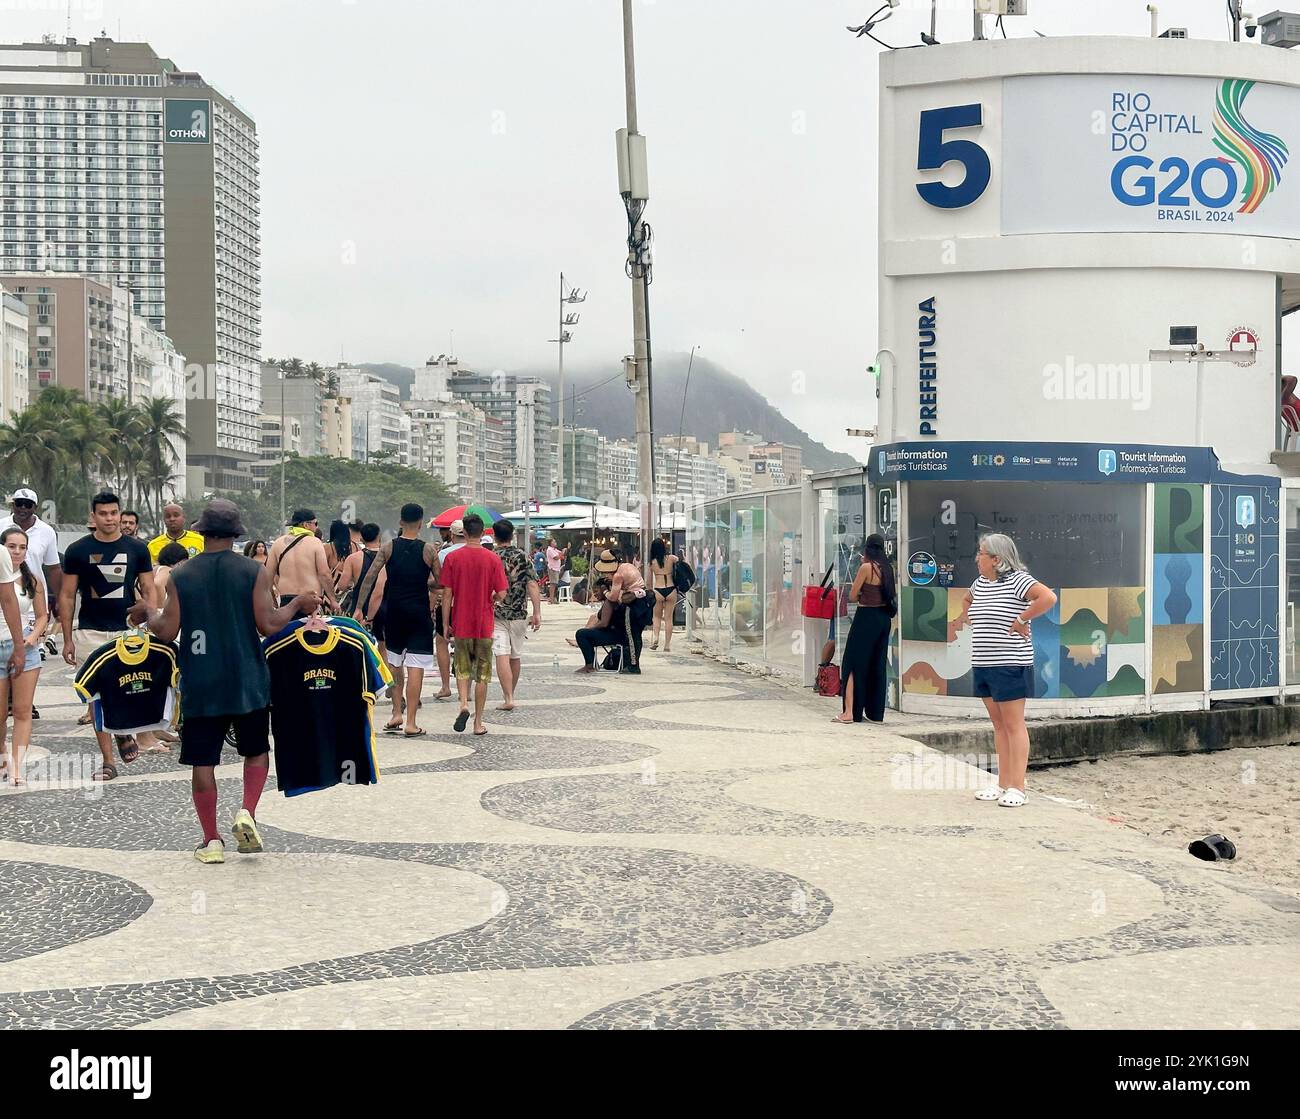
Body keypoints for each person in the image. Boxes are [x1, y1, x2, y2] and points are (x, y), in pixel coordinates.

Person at [129, 499, 322, 863]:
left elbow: (167, 631)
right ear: (236, 534)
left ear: (200, 532)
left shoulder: (182, 574)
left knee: (204, 761)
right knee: (256, 750)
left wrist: (148, 613)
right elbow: (268, 624)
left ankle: (212, 841)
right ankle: (246, 811)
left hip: (202, 681)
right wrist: (298, 604)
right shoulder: (252, 570)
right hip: (247, 677)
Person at [60, 492, 157, 781]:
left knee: (129, 689)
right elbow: (66, 595)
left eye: (114, 513)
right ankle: (108, 761)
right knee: (96, 696)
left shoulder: (137, 549)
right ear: (94, 516)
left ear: (120, 514)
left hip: (128, 630)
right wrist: (67, 636)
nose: (110, 519)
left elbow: (149, 589)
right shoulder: (78, 550)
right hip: (90, 630)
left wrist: (150, 622)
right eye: (103, 514)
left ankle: (124, 732)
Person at [965, 533, 1057, 809]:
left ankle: (1018, 785)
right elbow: (968, 601)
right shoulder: (980, 584)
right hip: (983, 662)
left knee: (1014, 725)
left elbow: (1048, 597)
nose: (977, 559)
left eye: (981, 554)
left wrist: (1021, 618)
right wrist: (969, 618)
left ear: (996, 559)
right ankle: (1002, 782)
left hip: (1010, 662)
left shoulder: (1018, 580)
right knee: (998, 725)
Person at [355, 503, 441, 737]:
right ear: (421, 523)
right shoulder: (429, 550)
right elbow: (441, 582)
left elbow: (369, 579)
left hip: (394, 613)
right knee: (416, 667)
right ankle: (411, 722)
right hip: (419, 614)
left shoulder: (388, 547)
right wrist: (425, 584)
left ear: (401, 522)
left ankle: (396, 713)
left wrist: (359, 608)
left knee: (394, 663)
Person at [440, 513, 507, 735]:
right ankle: (478, 723)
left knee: (462, 668)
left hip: (461, 621)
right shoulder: (493, 559)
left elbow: (447, 594)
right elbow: (503, 593)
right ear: (483, 532)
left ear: (465, 532)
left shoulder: (453, 558)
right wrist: (493, 599)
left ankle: (463, 705)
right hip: (484, 623)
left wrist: (445, 622)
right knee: (483, 674)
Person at [0, 527, 47, 785]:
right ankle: (2, 756)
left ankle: (16, 767)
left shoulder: (32, 580)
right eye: (11, 546)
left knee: (22, 711)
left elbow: (42, 616)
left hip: (25, 650)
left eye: (22, 547)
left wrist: (30, 640)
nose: (17, 552)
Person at [832, 533, 895, 725]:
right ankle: (876, 713)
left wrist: (861, 594)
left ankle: (850, 712)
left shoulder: (866, 568)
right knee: (877, 664)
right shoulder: (887, 569)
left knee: (852, 662)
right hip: (883, 619)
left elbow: (852, 595)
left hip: (866, 618)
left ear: (867, 549)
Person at [491, 519, 541, 711]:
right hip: (519, 613)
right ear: (512, 535)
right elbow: (532, 584)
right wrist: (537, 612)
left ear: (494, 536)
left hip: (497, 612)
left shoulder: (491, 556)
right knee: (515, 656)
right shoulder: (523, 556)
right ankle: (511, 692)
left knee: (501, 654)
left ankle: (508, 697)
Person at [0, 488, 62, 622]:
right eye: (19, 503)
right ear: (13, 505)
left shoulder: (47, 532)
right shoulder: (1, 526)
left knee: (33, 641)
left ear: (35, 507)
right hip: (3, 599)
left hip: (34, 603)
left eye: (28, 504)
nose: (23, 508)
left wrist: (59, 598)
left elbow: (54, 569)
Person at [591, 546, 652, 674]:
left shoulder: (618, 575)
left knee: (631, 636)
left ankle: (633, 666)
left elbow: (613, 597)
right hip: (644, 601)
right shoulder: (627, 566)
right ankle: (633, 663)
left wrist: (605, 591)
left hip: (634, 604)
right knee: (636, 635)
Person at [266, 509, 338, 613]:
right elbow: (324, 574)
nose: (317, 527)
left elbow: (268, 577)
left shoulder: (277, 543)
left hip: (286, 600)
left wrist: (270, 600)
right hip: (310, 599)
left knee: (290, 628)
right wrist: (333, 600)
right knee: (311, 628)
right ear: (306, 525)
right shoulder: (315, 543)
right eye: (315, 523)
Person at [648, 536, 679, 652]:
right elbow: (681, 562)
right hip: (671, 589)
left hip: (658, 590)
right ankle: (667, 645)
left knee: (656, 617)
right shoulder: (671, 558)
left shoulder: (651, 563)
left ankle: (656, 638)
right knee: (668, 618)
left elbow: (649, 582)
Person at [545, 538, 563, 604]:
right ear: (551, 543)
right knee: (552, 584)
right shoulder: (550, 550)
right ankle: (551, 599)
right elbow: (556, 557)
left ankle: (553, 598)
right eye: (554, 542)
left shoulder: (554, 550)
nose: (555, 542)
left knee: (555, 584)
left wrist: (565, 550)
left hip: (556, 568)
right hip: (552, 568)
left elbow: (560, 553)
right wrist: (561, 554)